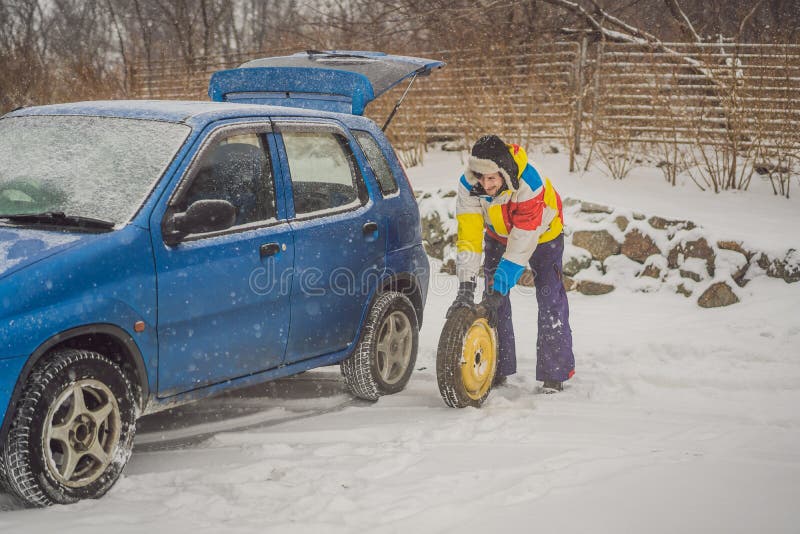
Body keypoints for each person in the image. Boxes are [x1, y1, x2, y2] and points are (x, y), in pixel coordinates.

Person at [446, 135, 575, 392]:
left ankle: (554, 372)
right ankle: (498, 366)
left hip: (544, 234)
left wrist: (501, 285)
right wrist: (465, 286)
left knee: (549, 297)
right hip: (498, 234)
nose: (485, 185)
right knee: (493, 300)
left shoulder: (530, 184)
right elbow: (469, 236)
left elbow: (522, 242)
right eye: (481, 177)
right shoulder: (469, 184)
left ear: (504, 172)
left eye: (491, 178)